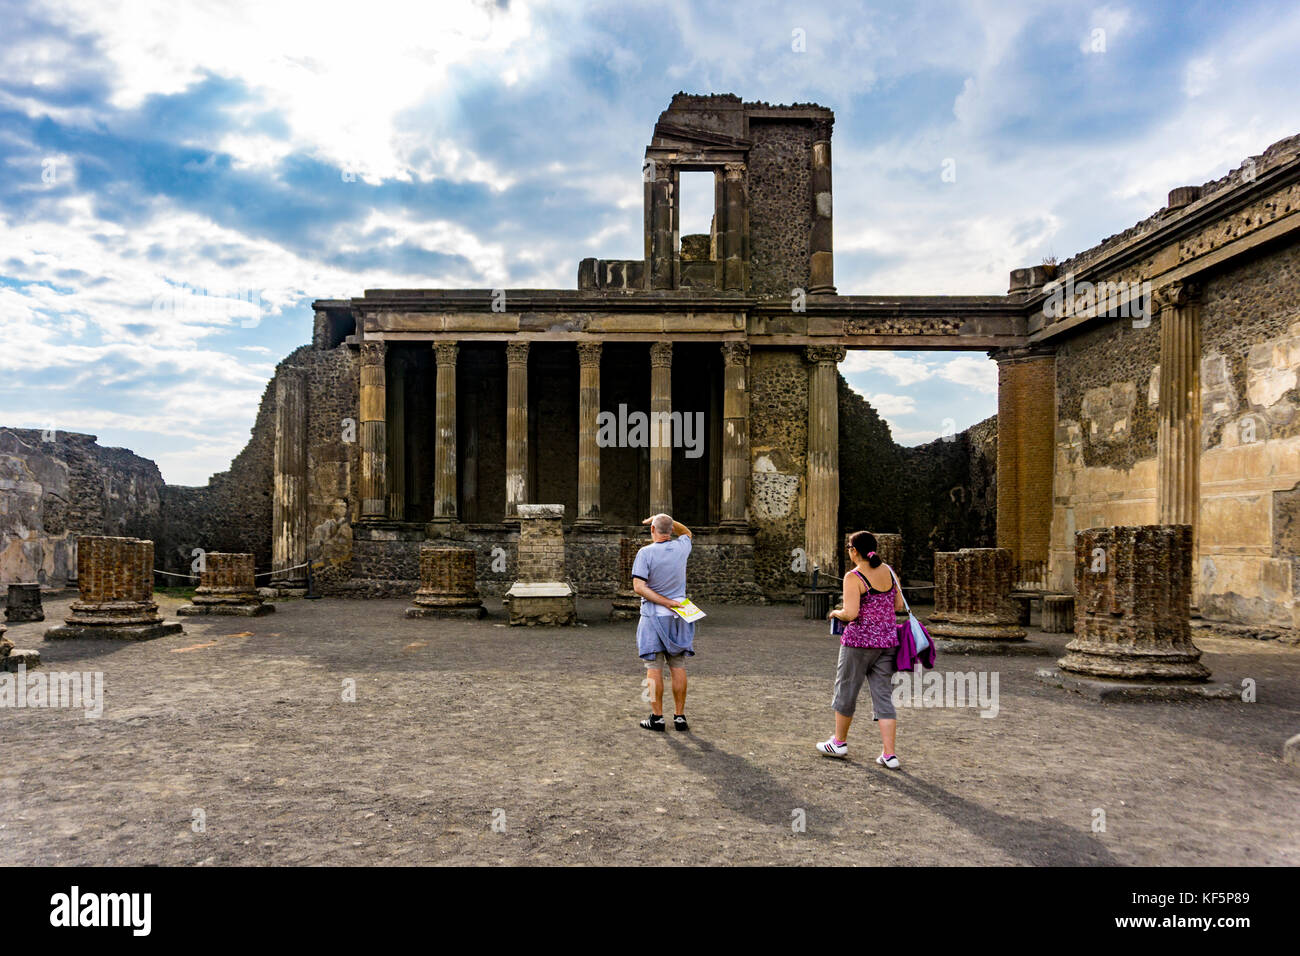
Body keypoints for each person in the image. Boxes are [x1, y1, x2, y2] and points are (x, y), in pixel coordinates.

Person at [818, 531, 906, 767]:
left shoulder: (853, 577)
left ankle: (839, 742)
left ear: (854, 550)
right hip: (887, 643)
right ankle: (889, 754)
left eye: (849, 547)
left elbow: (851, 613)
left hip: (858, 643)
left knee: (846, 690)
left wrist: (835, 613)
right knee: (883, 697)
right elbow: (898, 605)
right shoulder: (888, 571)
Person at [631, 513, 694, 732]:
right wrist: (663, 519)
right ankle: (679, 716)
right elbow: (687, 532)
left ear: (652, 530)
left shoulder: (644, 553)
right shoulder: (682, 548)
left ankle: (657, 718)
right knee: (678, 665)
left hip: (653, 616)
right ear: (671, 531)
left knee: (653, 668)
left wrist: (665, 602)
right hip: (680, 614)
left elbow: (639, 587)